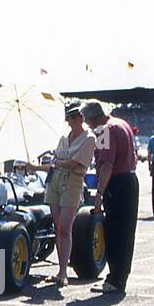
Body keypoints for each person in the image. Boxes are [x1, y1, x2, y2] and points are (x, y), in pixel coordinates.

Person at [31, 105, 97, 286]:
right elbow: (56, 163)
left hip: (73, 182)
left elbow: (74, 164)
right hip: (55, 182)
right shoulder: (63, 138)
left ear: (81, 118)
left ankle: (63, 272)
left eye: (74, 117)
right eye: (69, 117)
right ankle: (60, 269)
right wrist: (35, 167)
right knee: (58, 226)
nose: (71, 121)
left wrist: (59, 162)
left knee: (66, 227)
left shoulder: (89, 138)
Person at [81, 99, 138, 295]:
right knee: (126, 233)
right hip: (130, 180)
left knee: (114, 233)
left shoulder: (104, 130)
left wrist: (99, 194)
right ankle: (120, 277)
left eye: (87, 121)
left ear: (92, 118)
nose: (87, 125)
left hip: (117, 183)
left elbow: (106, 164)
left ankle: (114, 279)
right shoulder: (121, 123)